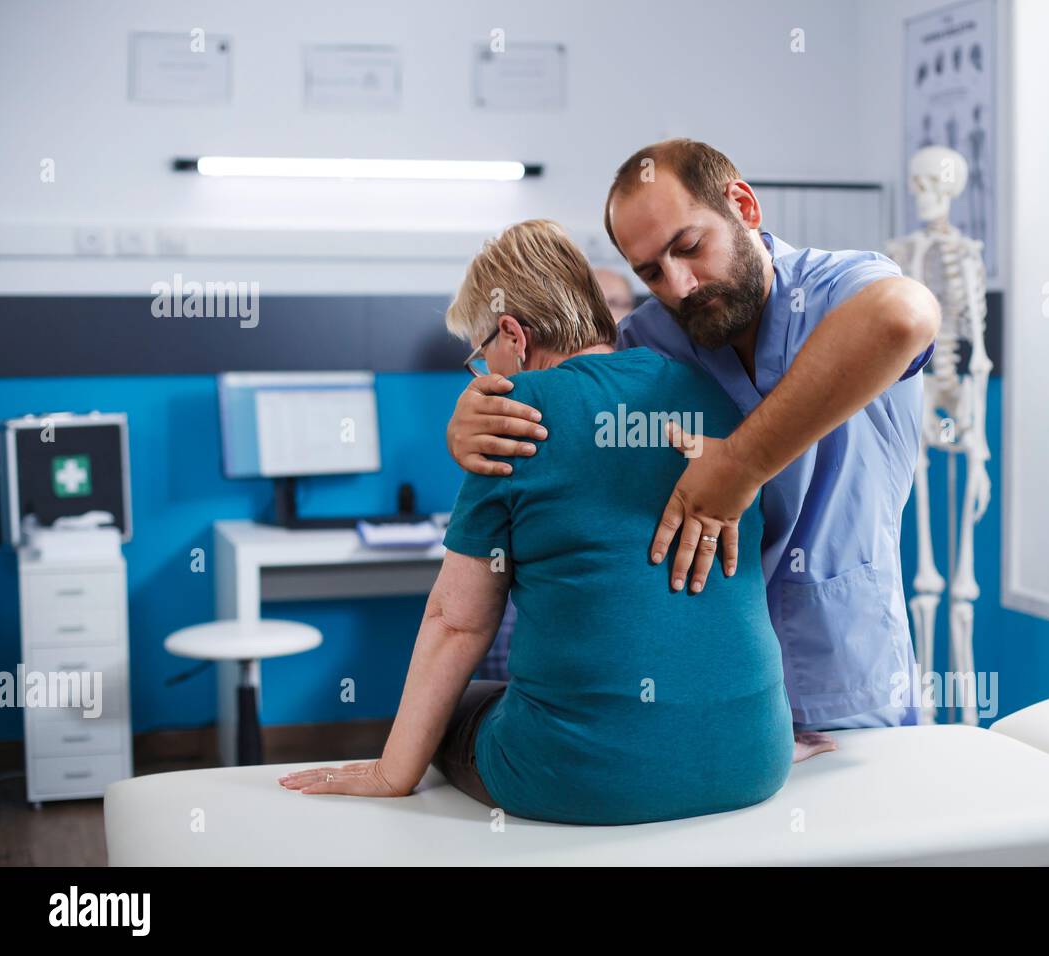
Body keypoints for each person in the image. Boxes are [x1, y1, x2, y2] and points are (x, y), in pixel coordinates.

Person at [280, 220, 794, 824]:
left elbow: (456, 620)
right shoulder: (708, 393)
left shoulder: (517, 417)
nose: (480, 377)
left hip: (584, 778)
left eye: (479, 357)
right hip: (756, 757)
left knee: (460, 705)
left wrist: (391, 772)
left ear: (513, 335)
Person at [445, 140, 941, 757]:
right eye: (650, 272)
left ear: (743, 205)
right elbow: (579, 397)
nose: (678, 286)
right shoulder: (654, 335)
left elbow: (904, 316)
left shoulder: (834, 290)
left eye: (688, 247)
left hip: (847, 681)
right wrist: (474, 413)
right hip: (721, 690)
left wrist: (740, 464)